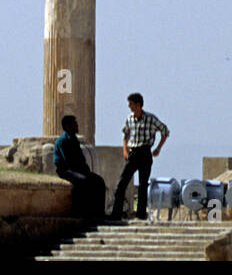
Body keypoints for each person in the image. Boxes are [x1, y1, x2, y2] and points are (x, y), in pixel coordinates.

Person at [109, 92, 169, 220]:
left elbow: (165, 131)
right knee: (122, 182)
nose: (129, 106)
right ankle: (116, 213)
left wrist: (158, 148)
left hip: (145, 151)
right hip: (133, 152)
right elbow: (125, 134)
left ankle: (141, 214)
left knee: (143, 185)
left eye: (131, 104)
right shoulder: (129, 118)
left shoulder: (151, 119)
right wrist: (125, 150)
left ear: (138, 105)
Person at [53, 115, 106, 220]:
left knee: (99, 181)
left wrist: (85, 170)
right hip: (66, 170)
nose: (77, 125)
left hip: (77, 169)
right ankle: (81, 213)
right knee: (83, 181)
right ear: (68, 126)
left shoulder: (74, 139)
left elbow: (80, 158)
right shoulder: (62, 141)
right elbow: (67, 161)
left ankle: (99, 214)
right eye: (74, 123)